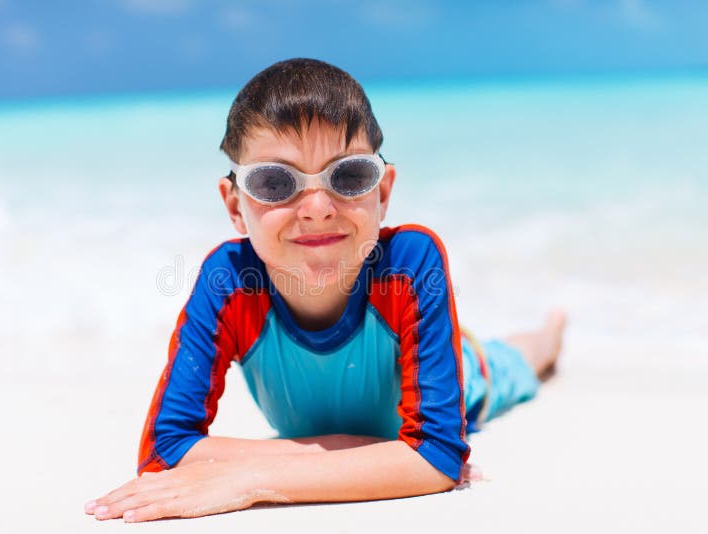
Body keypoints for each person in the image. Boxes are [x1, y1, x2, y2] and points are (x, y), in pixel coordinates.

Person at [84, 58, 566, 522]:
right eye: (275, 182)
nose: (317, 207)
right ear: (234, 207)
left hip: (468, 373)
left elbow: (436, 458)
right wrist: (384, 455)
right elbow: (165, 450)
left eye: (349, 176)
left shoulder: (411, 263)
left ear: (382, 192)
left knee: (521, 361)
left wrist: (247, 478)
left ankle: (550, 332)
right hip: (396, 394)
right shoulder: (227, 282)